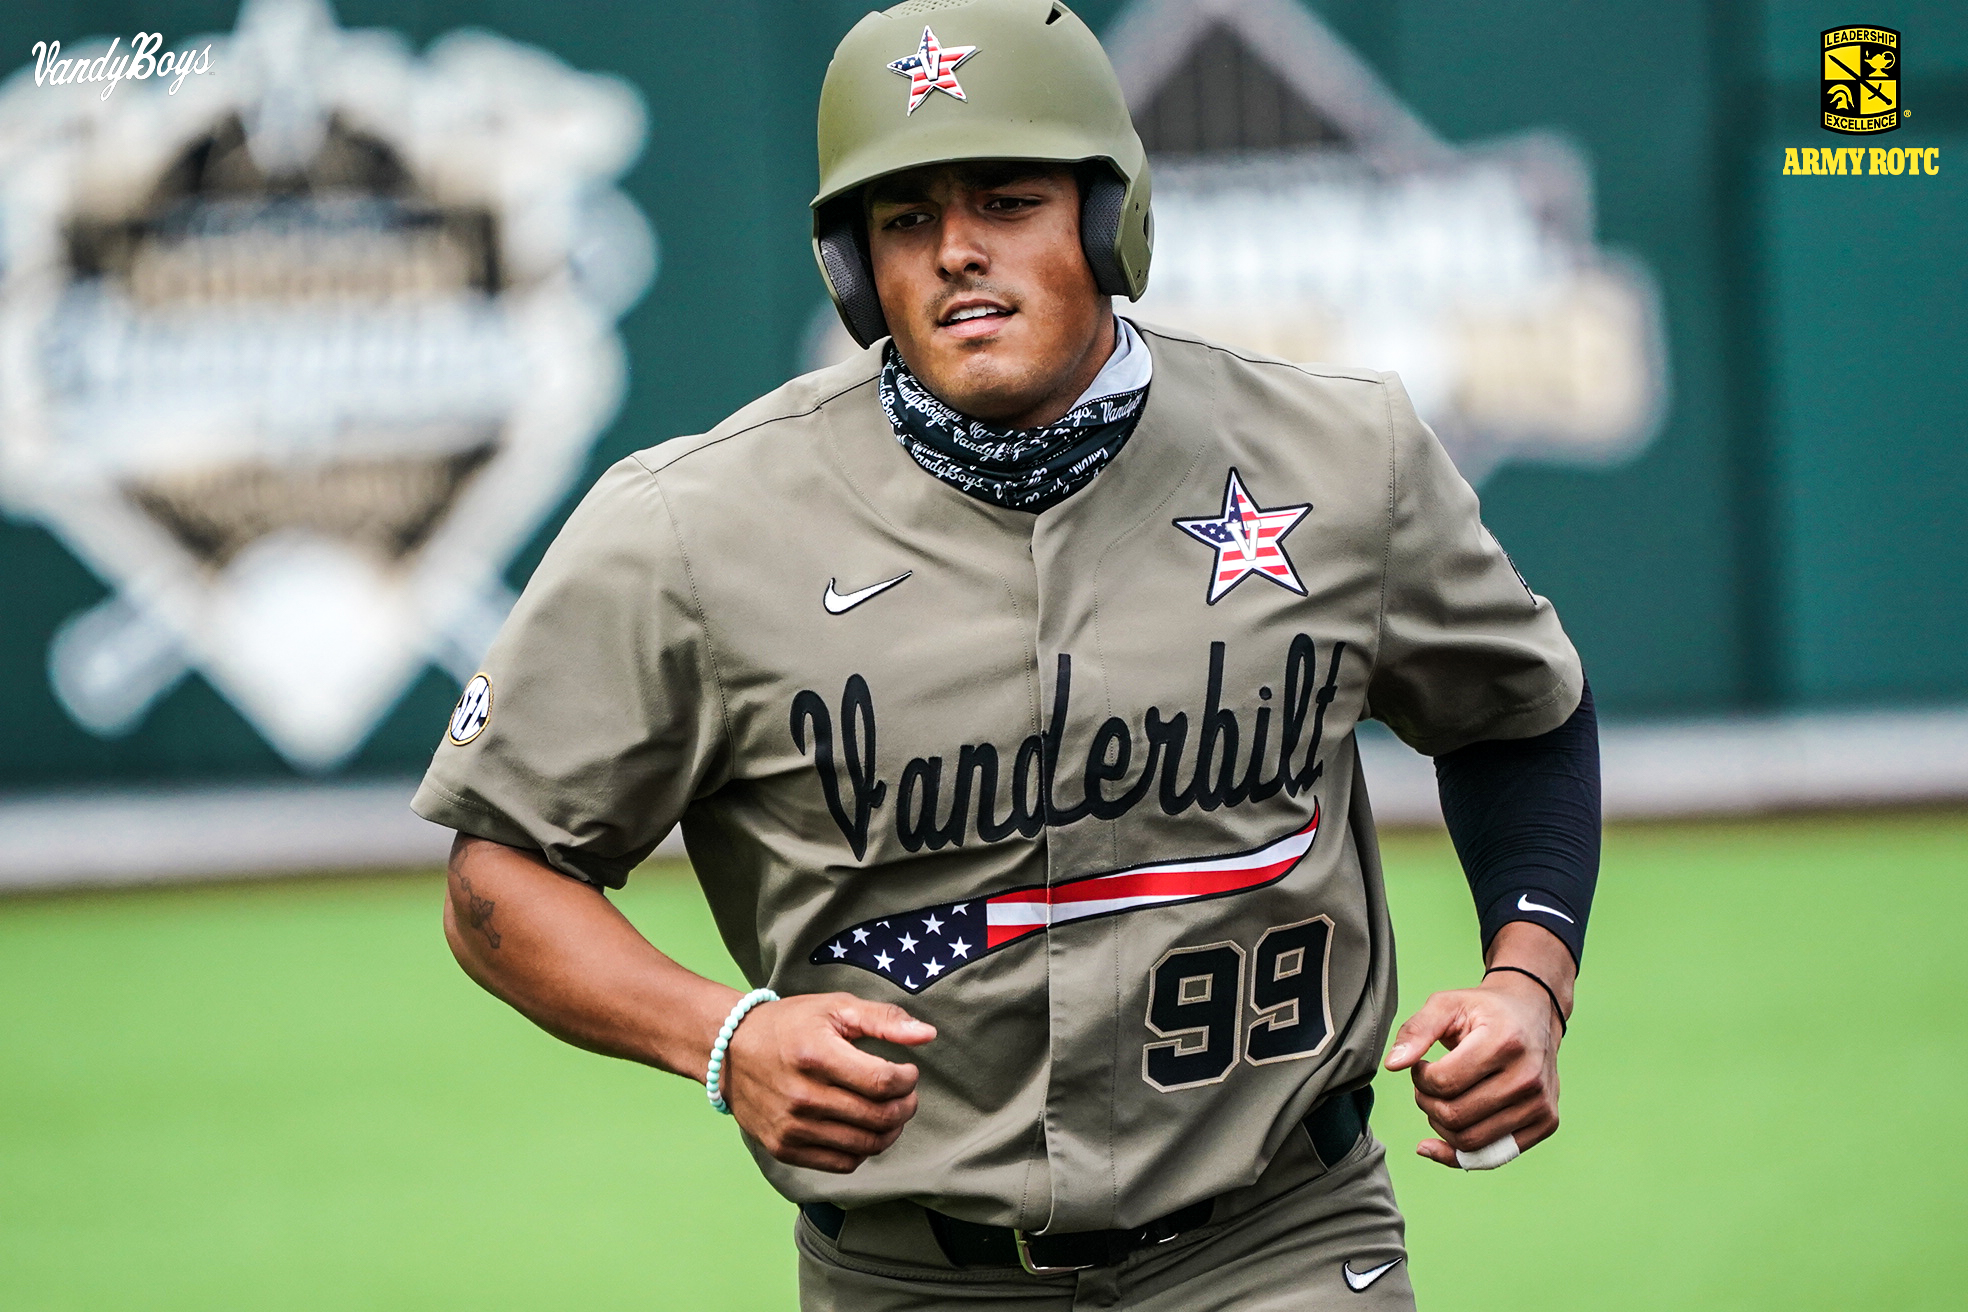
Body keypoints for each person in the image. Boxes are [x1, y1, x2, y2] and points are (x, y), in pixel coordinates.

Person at [412, 1, 1601, 1306]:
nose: (957, 254)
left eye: (1009, 200)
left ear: (1110, 220)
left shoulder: (1339, 457)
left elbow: (1517, 715)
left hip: (1281, 1241)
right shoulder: (690, 530)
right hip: (912, 1279)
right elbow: (501, 875)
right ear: (853, 266)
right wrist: (723, 1036)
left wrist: (1527, 978)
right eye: (906, 219)